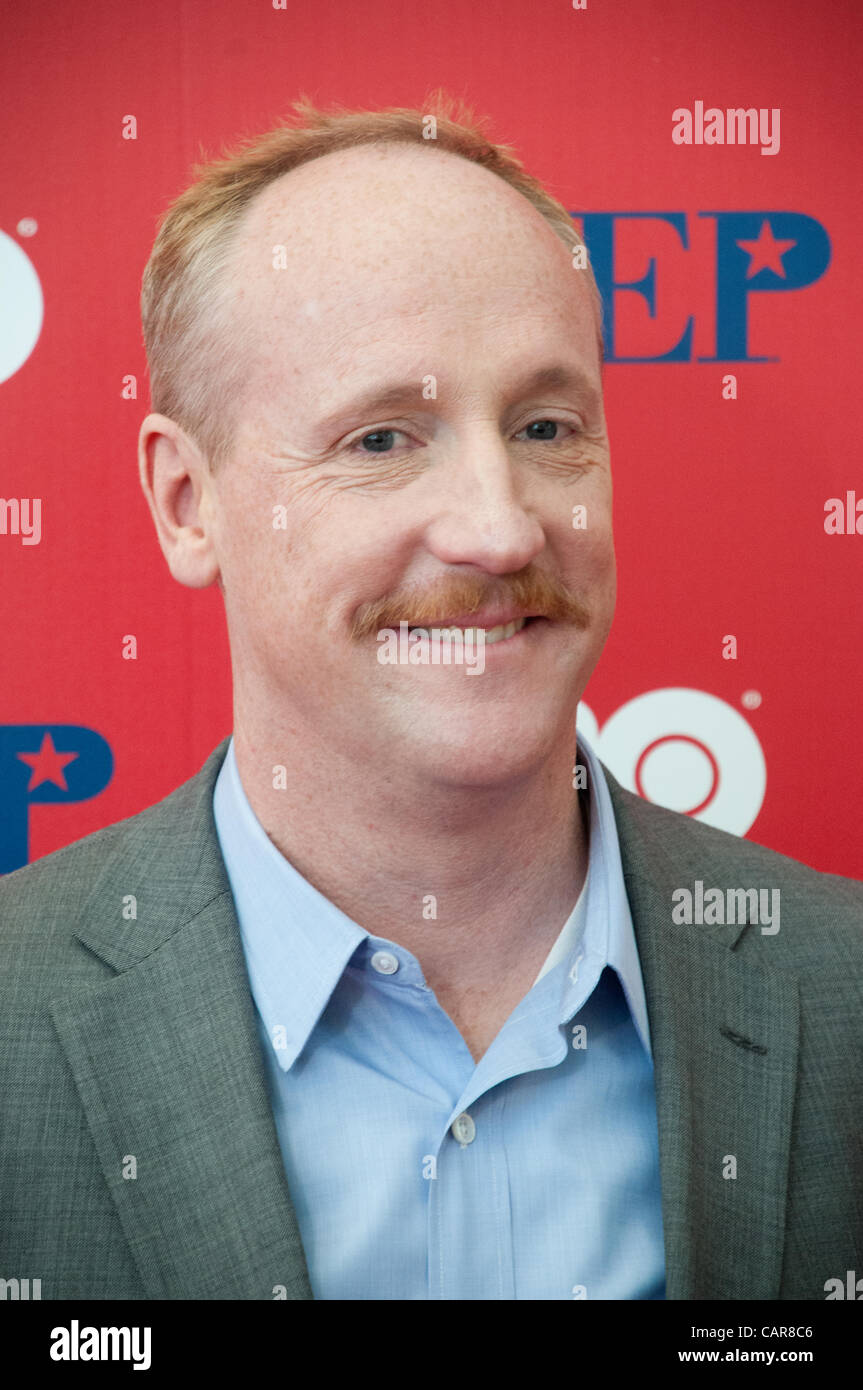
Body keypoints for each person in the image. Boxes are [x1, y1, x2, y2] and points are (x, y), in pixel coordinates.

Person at [1, 96, 861, 1301]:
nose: (500, 529)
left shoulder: (840, 985)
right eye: (381, 440)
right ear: (188, 503)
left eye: (545, 426)